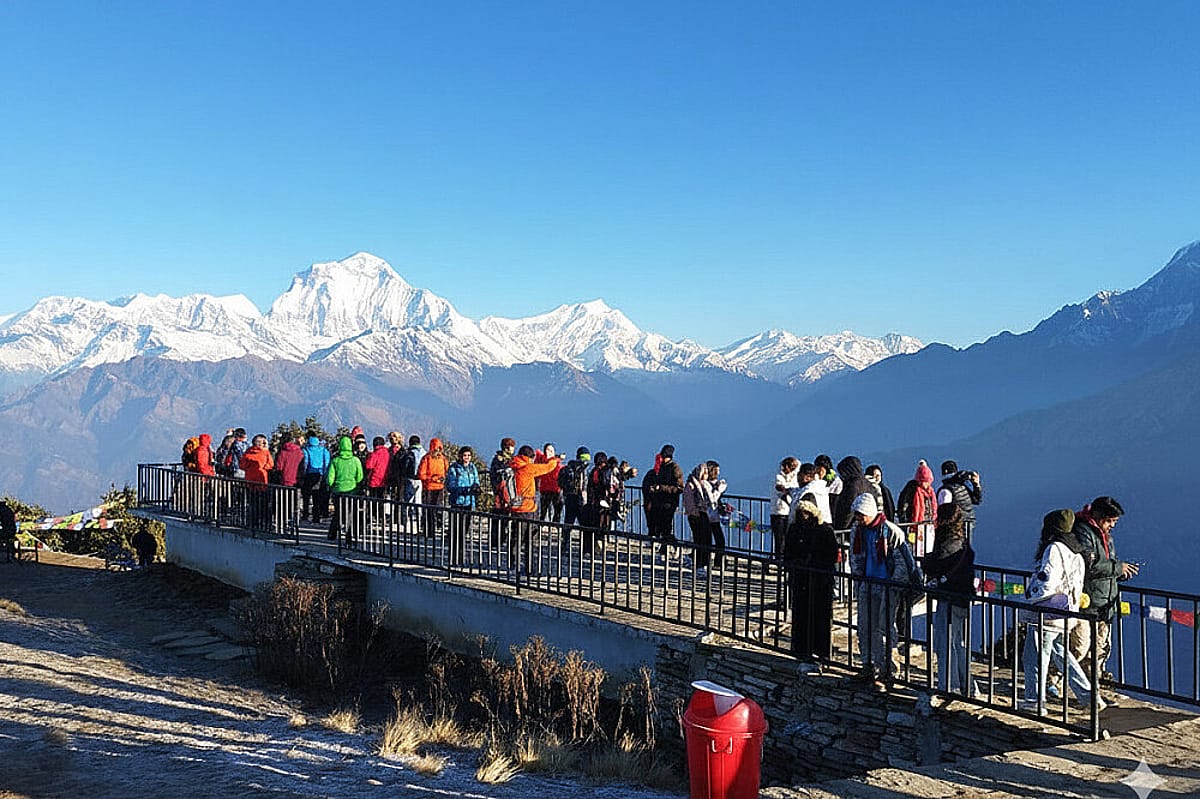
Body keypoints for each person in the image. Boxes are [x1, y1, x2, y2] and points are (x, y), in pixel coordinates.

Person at [1020, 508, 1103, 714]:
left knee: (1035, 656)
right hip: (1067, 612)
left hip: (1047, 613)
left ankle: (1034, 701)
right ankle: (1088, 696)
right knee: (1061, 653)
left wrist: (1031, 596)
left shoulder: (1055, 549)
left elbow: (1047, 580)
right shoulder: (1076, 550)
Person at [849, 492, 920, 693]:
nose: (858, 518)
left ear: (870, 513)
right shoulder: (858, 530)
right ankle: (868, 664)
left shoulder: (889, 531)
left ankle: (889, 669)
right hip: (867, 582)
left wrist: (893, 584)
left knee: (884, 628)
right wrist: (858, 577)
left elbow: (902, 563)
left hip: (886, 585)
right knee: (864, 626)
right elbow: (855, 557)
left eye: (861, 514)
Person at [1070, 496, 1137, 686]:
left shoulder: (1104, 536)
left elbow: (1105, 564)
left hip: (1105, 603)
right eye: (1110, 520)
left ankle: (1091, 689)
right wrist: (1117, 568)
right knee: (1079, 647)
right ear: (1098, 516)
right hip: (1086, 601)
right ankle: (1053, 680)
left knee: (1099, 650)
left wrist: (1119, 573)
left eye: (1115, 521)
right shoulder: (1083, 532)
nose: (1112, 525)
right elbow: (1089, 565)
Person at [923, 503, 977, 700]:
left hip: (950, 596)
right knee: (958, 643)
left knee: (944, 643)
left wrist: (926, 562)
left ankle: (949, 686)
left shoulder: (946, 541)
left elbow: (936, 564)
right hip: (963, 596)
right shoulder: (962, 539)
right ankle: (968, 687)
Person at [784, 497, 839, 670]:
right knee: (801, 615)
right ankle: (801, 650)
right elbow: (787, 552)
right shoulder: (794, 529)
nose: (804, 516)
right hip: (801, 579)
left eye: (807, 512)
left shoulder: (824, 531)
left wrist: (813, 562)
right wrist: (794, 563)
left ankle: (821, 652)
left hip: (820, 581)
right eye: (801, 513)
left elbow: (830, 555)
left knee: (820, 617)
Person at [510, 444, 562, 573]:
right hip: (528, 508)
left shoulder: (513, 465)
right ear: (529, 457)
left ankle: (513, 565)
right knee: (529, 540)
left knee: (516, 538)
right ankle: (529, 568)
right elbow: (547, 468)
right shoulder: (527, 468)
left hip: (515, 506)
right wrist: (556, 459)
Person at [682, 461, 727, 576]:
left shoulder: (695, 484)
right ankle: (702, 563)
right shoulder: (699, 485)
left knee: (702, 540)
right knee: (704, 541)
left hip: (699, 515)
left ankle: (700, 562)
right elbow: (710, 500)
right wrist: (719, 490)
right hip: (701, 515)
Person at [645, 445, 684, 554]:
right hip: (658, 501)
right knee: (660, 525)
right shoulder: (661, 468)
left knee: (666, 526)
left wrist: (661, 488)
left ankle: (674, 545)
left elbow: (679, 488)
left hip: (669, 503)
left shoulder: (675, 468)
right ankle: (664, 546)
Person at [445, 446, 481, 565]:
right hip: (457, 503)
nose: (467, 458)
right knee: (455, 532)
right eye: (465, 455)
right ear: (460, 456)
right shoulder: (454, 469)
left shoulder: (472, 468)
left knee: (464, 532)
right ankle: (453, 558)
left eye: (469, 456)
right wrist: (464, 489)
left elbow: (476, 480)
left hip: (469, 503)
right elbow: (450, 486)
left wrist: (476, 488)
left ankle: (461, 558)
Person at [897, 460, 938, 557]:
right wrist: (906, 523)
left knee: (928, 550)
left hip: (928, 526)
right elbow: (903, 506)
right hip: (915, 526)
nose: (927, 484)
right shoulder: (912, 490)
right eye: (925, 481)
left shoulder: (930, 492)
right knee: (917, 551)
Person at [326, 435, 363, 544]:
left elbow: (330, 478)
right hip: (352, 490)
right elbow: (360, 476)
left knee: (338, 512)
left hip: (338, 491)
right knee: (351, 513)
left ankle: (332, 533)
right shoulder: (356, 460)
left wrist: (332, 487)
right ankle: (349, 536)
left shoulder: (335, 461)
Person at [937, 460, 982, 537]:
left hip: (954, 528)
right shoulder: (963, 486)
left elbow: (944, 512)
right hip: (968, 524)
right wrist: (976, 485)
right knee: (965, 547)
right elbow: (977, 500)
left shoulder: (946, 490)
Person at [558, 446, 591, 547]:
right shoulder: (584, 469)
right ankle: (585, 546)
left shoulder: (568, 468)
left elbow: (560, 482)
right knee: (583, 523)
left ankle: (565, 543)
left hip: (569, 497)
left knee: (569, 521)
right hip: (579, 497)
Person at [240, 434, 275, 530]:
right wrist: (263, 468)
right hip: (262, 481)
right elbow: (271, 464)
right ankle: (265, 523)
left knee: (252, 503)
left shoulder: (248, 453)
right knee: (264, 504)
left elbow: (242, 466)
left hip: (250, 481)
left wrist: (249, 468)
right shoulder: (265, 453)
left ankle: (252, 523)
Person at [417, 437, 450, 536]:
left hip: (436, 488)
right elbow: (421, 474)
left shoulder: (439, 459)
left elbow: (447, 472)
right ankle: (429, 530)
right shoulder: (430, 459)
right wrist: (435, 479)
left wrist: (441, 479)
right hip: (431, 488)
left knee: (432, 510)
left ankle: (431, 530)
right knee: (430, 510)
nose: (438, 451)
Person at [771, 457, 801, 560]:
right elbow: (780, 488)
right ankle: (779, 560)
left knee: (789, 538)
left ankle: (786, 559)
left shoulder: (795, 477)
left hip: (790, 511)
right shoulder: (779, 477)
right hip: (778, 512)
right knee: (779, 539)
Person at [833, 456, 872, 532]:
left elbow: (848, 509)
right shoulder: (867, 483)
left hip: (852, 528)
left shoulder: (852, 486)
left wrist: (841, 528)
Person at [299, 433, 331, 524]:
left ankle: (305, 514)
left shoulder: (306, 450)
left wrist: (303, 474)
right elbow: (327, 463)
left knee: (306, 496)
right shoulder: (324, 450)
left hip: (309, 475)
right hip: (320, 475)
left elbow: (305, 462)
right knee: (317, 497)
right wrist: (325, 474)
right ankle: (316, 516)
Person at [401, 436, 425, 533]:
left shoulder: (409, 454)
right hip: (420, 480)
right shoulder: (425, 453)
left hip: (409, 479)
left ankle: (407, 524)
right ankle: (418, 524)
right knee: (418, 502)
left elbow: (404, 466)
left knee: (408, 502)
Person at [535, 444, 564, 526]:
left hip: (556, 489)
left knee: (557, 509)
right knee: (543, 510)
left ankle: (555, 526)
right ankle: (541, 526)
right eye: (548, 450)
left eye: (551, 450)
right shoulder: (542, 462)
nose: (550, 452)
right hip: (545, 489)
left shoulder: (556, 462)